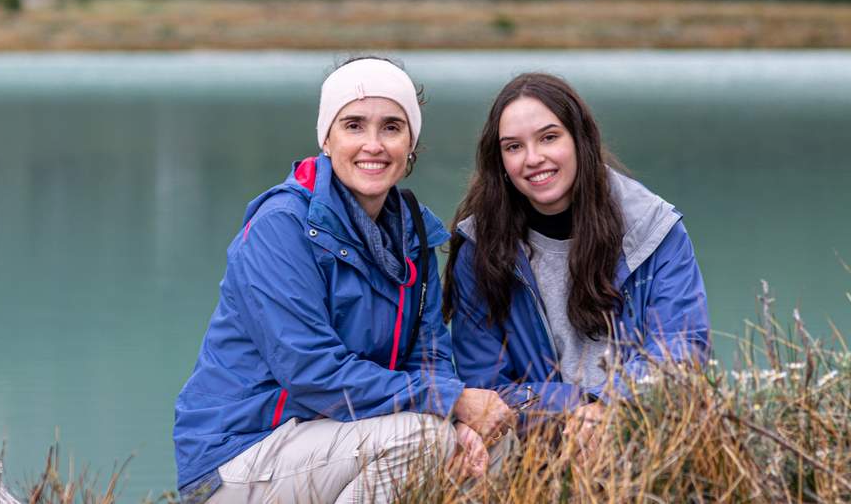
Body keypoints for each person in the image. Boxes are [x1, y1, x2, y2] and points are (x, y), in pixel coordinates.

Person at [174, 58, 511, 503]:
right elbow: (313, 373)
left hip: (338, 440)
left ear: (411, 144)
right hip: (241, 454)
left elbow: (428, 357)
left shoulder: (413, 235)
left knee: (494, 445)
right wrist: (452, 402)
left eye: (392, 127)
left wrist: (457, 420)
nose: (373, 144)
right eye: (354, 125)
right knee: (424, 440)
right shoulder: (282, 228)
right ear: (327, 140)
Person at [444, 72, 709, 442]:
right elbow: (486, 389)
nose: (533, 159)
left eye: (549, 137)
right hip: (534, 446)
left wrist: (609, 407)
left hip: (642, 431)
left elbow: (681, 352)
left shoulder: (652, 229)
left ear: (580, 139)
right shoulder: (479, 248)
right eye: (513, 147)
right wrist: (579, 406)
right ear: (499, 160)